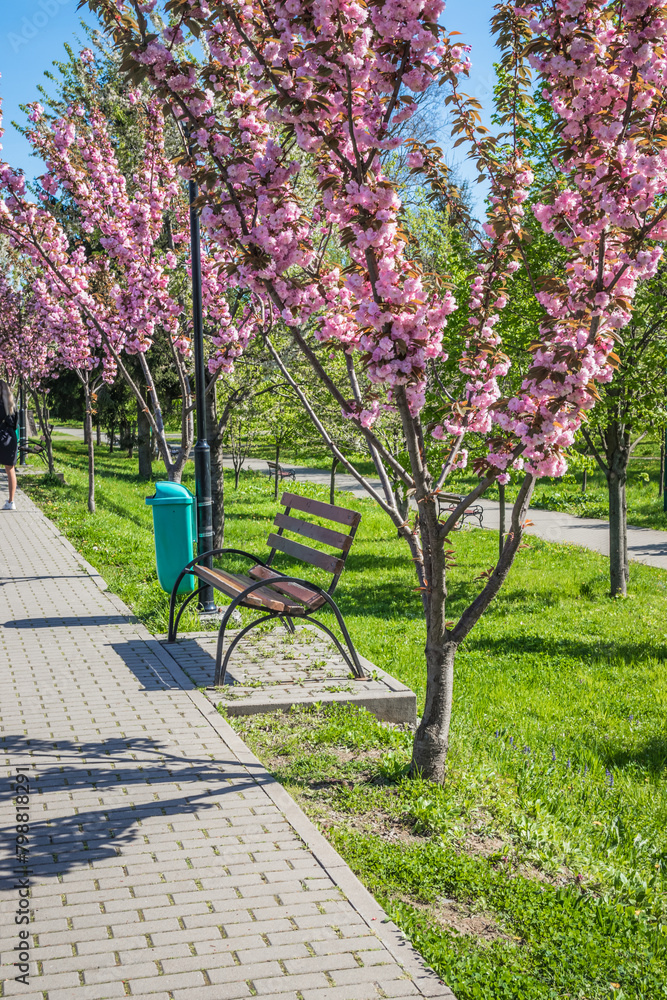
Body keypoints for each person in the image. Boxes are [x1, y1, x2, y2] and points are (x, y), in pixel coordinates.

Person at [0, 379, 19, 511]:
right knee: (10, 469)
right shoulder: (12, 405)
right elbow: (16, 423)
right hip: (10, 437)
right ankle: (11, 502)